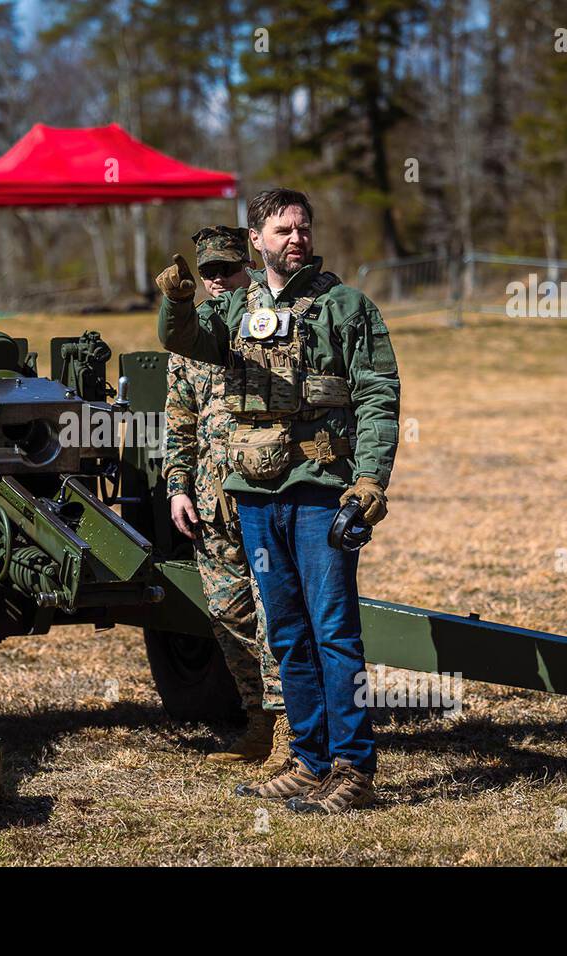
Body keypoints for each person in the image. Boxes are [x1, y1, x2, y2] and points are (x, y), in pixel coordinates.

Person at [155, 187, 401, 814]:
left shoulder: (346, 307)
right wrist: (177, 300)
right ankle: (308, 760)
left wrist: (369, 479)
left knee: (334, 632)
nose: (297, 238)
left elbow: (378, 394)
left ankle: (352, 768)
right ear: (258, 240)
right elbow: (183, 342)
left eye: (304, 228)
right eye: (283, 230)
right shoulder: (235, 308)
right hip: (255, 498)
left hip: (320, 494)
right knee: (288, 633)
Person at [162, 225, 289, 771]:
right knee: (228, 614)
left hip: (266, 494)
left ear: (249, 268)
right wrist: (177, 487)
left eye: (228, 270)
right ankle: (257, 723)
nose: (217, 281)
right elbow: (178, 421)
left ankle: (291, 731)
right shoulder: (189, 338)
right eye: (208, 272)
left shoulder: (274, 320)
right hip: (212, 506)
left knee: (278, 614)